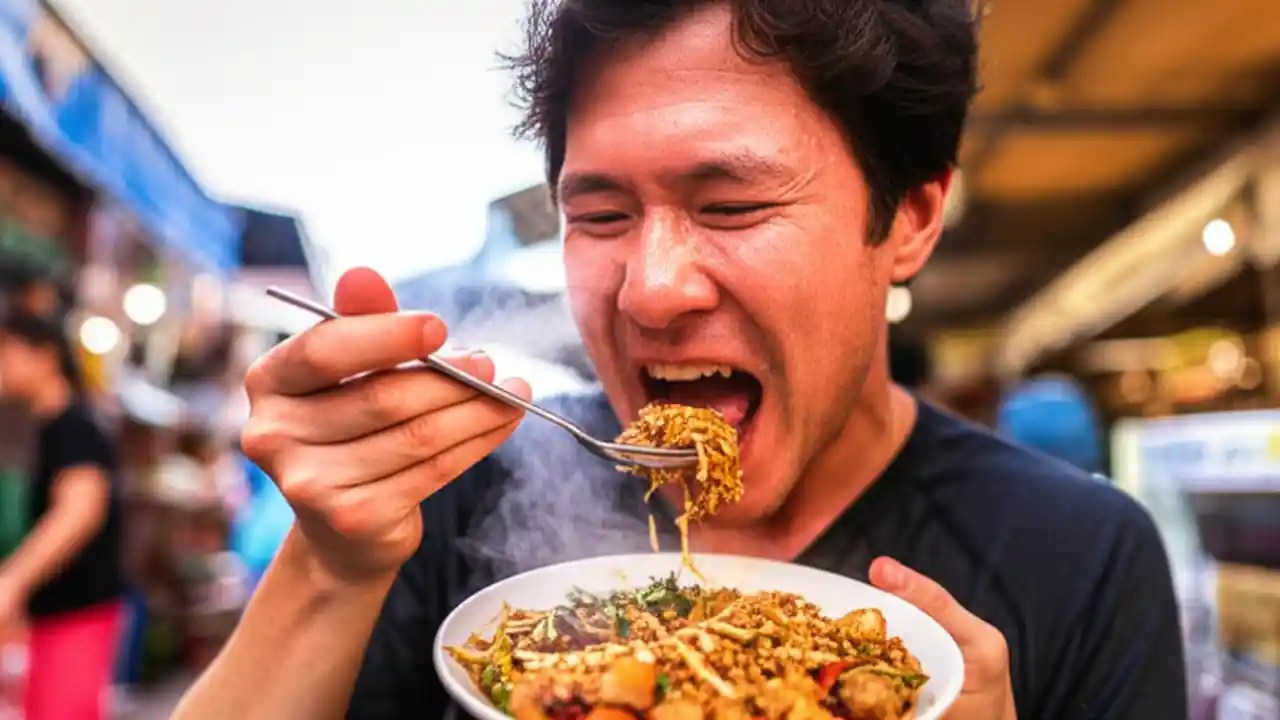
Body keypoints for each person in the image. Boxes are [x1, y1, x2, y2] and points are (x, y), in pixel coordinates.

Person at [175, 1, 1187, 718]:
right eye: (602, 214)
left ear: (910, 218)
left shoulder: (1081, 554)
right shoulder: (451, 500)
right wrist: (328, 566)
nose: (650, 289)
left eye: (732, 205)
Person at [0, 313, 125, 720]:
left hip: (77, 613)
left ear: (46, 356)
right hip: (55, 615)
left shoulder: (75, 427)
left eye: (7, 352)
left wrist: (12, 581)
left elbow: (81, 510)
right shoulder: (53, 427)